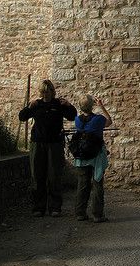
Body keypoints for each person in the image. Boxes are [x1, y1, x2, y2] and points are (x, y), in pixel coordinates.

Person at [19, 79, 77, 217]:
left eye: (48, 91)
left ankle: (55, 207)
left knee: (54, 176)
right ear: (41, 92)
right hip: (38, 143)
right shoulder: (37, 105)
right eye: (43, 92)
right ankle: (39, 207)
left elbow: (72, 116)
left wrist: (69, 105)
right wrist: (29, 106)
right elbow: (22, 117)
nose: (45, 94)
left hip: (55, 144)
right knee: (38, 176)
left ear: (52, 91)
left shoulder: (58, 104)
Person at [73, 95, 112, 223]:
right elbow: (109, 121)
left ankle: (80, 213)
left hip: (82, 156)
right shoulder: (98, 120)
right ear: (92, 106)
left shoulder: (77, 120)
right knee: (97, 185)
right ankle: (97, 214)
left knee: (82, 184)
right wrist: (101, 106)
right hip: (96, 156)